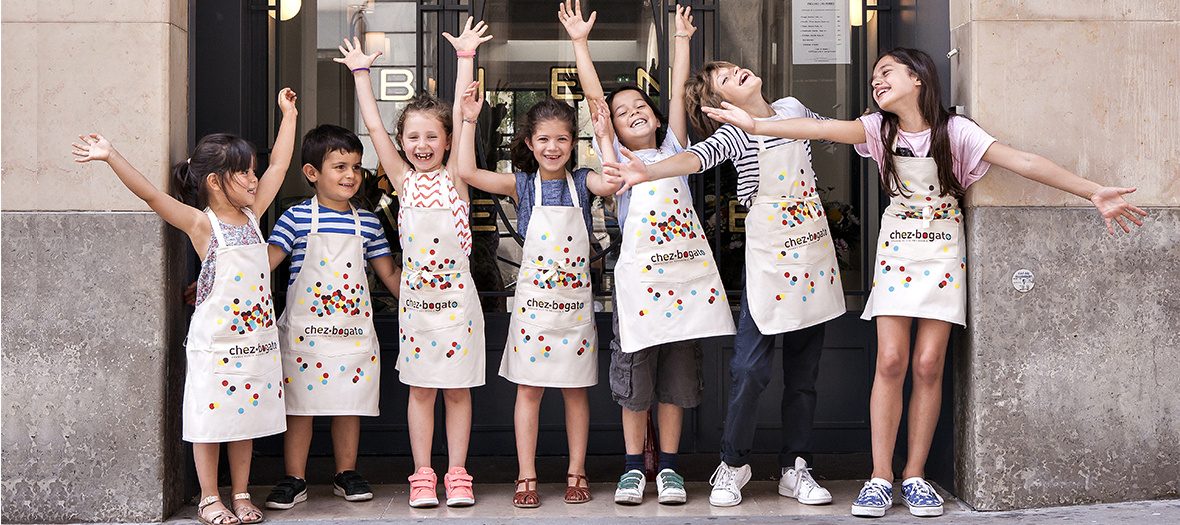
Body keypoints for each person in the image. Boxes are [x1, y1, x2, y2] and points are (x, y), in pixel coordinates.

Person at [698, 47, 1147, 517]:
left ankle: (914, 475)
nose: (875, 81)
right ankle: (879, 477)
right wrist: (758, 127)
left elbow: (1026, 162)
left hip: (942, 250)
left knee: (929, 364)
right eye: (873, 77)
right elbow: (816, 127)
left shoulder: (957, 132)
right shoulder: (877, 129)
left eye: (885, 72)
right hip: (898, 248)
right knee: (891, 360)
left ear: (918, 78)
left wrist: (1093, 191)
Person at [600, 53, 845, 507]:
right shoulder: (733, 134)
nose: (737, 73)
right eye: (724, 79)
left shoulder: (793, 108)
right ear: (718, 103)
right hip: (770, 261)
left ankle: (796, 467)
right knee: (749, 369)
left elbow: (831, 131)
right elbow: (695, 158)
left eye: (734, 68)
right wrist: (649, 170)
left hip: (812, 254)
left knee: (805, 373)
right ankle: (733, 463)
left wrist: (884, 129)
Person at [72, 88, 299, 525]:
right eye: (244, 174)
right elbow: (153, 198)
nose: (255, 180)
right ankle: (210, 498)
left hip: (255, 344)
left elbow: (281, 165)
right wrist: (111, 154)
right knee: (211, 423)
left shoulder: (254, 217)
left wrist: (287, 115)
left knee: (245, 423)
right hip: (216, 347)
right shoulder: (202, 225)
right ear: (215, 182)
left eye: (253, 172)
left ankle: (242, 492)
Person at [560, 0, 735, 506]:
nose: (631, 111)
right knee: (635, 380)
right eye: (621, 111)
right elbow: (595, 101)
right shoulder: (615, 165)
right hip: (639, 289)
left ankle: (672, 470)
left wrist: (681, 40)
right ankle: (635, 468)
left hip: (686, 285)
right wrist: (579, 44)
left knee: (678, 378)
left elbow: (680, 92)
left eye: (639, 105)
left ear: (657, 118)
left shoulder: (676, 150)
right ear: (610, 128)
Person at [335, 18, 491, 508]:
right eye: (413, 138)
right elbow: (375, 125)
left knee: (458, 391)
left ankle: (458, 474)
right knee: (422, 391)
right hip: (418, 308)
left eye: (432, 137)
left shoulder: (457, 178)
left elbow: (465, 113)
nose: (422, 146)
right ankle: (423, 474)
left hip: (459, 307)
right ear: (403, 144)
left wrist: (466, 59)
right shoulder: (402, 180)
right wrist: (361, 74)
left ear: (446, 141)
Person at [455, 84, 619, 506]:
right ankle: (525, 475)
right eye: (543, 139)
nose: (553, 147)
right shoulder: (521, 185)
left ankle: (576, 471)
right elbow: (468, 173)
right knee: (527, 390)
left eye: (562, 139)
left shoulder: (583, 182)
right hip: (533, 311)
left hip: (574, 310)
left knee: (575, 390)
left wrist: (604, 137)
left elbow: (617, 180)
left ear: (572, 143)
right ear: (530, 142)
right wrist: (468, 119)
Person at [263, 125, 403, 510]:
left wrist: (420, 301)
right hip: (305, 336)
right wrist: (219, 281)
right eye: (340, 167)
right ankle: (295, 477)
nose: (350, 176)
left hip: (352, 336)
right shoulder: (294, 219)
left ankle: (346, 473)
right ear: (312, 173)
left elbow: (389, 274)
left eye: (356, 168)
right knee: (300, 407)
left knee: (349, 402)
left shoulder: (369, 223)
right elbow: (264, 265)